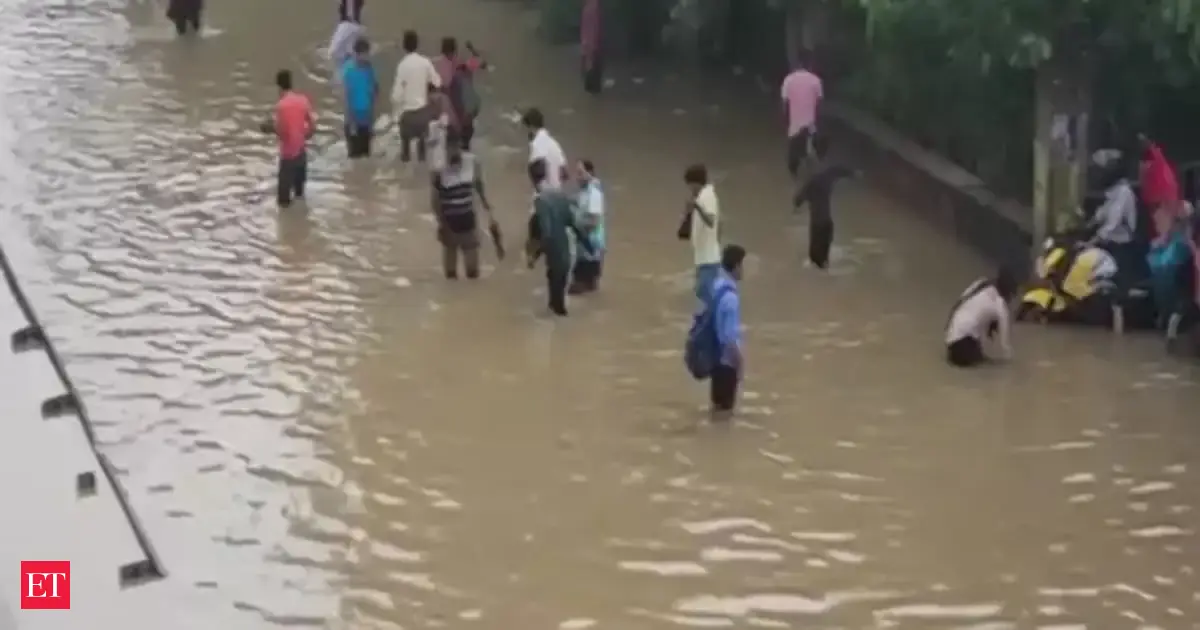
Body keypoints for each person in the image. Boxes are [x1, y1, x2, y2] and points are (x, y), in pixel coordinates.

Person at [431, 128, 496, 280]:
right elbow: (435, 200)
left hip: (468, 223)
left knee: (473, 273)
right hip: (449, 224)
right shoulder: (438, 169)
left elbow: (478, 184)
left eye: (454, 146)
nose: (452, 151)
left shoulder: (472, 162)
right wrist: (442, 223)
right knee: (450, 275)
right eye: (448, 147)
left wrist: (486, 204)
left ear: (460, 144)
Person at [526, 159, 589, 316]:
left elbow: (545, 233)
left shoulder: (540, 202)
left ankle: (561, 335)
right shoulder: (559, 195)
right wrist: (589, 246)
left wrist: (534, 255)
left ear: (531, 178)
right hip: (566, 255)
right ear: (546, 175)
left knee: (556, 307)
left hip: (554, 259)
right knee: (558, 303)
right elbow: (574, 224)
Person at [793, 135, 858, 269]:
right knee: (823, 264)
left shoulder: (812, 178)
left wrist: (797, 206)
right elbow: (840, 170)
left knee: (815, 264)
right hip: (827, 224)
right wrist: (854, 174)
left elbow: (798, 199)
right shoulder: (828, 173)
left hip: (817, 226)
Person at [944, 268, 1017, 367]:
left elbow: (961, 300)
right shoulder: (1000, 305)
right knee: (986, 364)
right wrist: (1011, 361)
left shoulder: (981, 283)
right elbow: (1004, 345)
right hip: (963, 346)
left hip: (951, 338)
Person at [391, 30, 442, 163]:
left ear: (404, 46)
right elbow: (437, 82)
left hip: (407, 114)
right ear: (417, 45)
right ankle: (421, 174)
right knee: (422, 146)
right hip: (422, 113)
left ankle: (406, 171)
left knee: (405, 148)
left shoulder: (402, 65)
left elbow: (396, 96)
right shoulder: (425, 62)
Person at [266, 70, 315, 208]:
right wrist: (302, 137)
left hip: (288, 157)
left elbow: (282, 133)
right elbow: (312, 127)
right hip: (301, 153)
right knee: (300, 196)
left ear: (279, 87)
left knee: (283, 202)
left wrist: (270, 128)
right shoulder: (303, 100)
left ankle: (289, 227)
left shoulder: (281, 106)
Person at [709, 244, 745, 420]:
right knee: (725, 417)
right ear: (737, 266)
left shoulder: (717, 287)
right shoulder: (731, 298)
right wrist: (740, 364)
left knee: (716, 411)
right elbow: (730, 338)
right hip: (727, 364)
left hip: (715, 360)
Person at [1089, 163, 1142, 278]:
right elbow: (1102, 213)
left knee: (1114, 282)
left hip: (1121, 246)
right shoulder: (1113, 192)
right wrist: (1088, 224)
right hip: (1110, 244)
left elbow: (1112, 222)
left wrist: (1091, 242)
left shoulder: (1123, 192)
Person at [679, 164, 721, 303]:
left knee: (707, 295)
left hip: (709, 259)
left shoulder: (707, 196)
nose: (690, 189)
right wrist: (689, 212)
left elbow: (711, 220)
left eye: (690, 185)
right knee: (701, 292)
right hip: (703, 258)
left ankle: (712, 322)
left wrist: (697, 206)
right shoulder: (702, 197)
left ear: (696, 183)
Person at [433, 37, 485, 150]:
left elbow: (441, 88)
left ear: (442, 50)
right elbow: (483, 63)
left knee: (450, 149)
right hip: (467, 116)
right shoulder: (464, 63)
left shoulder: (439, 65)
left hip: (451, 118)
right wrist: (473, 50)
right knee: (465, 150)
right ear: (455, 49)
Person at [780, 51, 823, 179]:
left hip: (795, 125)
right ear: (810, 64)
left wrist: (784, 120)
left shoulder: (789, 79)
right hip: (810, 124)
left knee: (793, 157)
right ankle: (811, 178)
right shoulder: (816, 81)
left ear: (798, 63)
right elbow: (819, 103)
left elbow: (784, 103)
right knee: (810, 154)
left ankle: (794, 179)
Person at [569, 159, 606, 294]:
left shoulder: (594, 194)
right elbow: (575, 201)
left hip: (590, 251)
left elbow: (594, 221)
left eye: (580, 173)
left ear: (589, 173)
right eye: (577, 173)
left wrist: (575, 226)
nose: (577, 177)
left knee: (578, 290)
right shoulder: (585, 191)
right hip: (584, 251)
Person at [341, 38, 379, 159]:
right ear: (357, 54)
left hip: (366, 120)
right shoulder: (349, 70)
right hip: (353, 120)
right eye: (365, 54)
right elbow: (347, 97)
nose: (367, 57)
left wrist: (372, 123)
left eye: (368, 54)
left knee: (366, 157)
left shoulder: (370, 69)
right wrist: (350, 122)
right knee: (354, 158)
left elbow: (374, 94)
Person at [1139, 134, 1181, 237]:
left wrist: (1146, 141)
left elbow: (1155, 152)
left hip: (1163, 204)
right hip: (1157, 205)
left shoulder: (1159, 164)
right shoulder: (1153, 169)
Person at [523, 108, 566, 188]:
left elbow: (538, 172)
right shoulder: (555, 144)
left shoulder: (536, 144)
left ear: (531, 127)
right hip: (557, 192)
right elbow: (564, 173)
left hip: (544, 194)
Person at [579, 0, 604, 94]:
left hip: (590, 41)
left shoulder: (589, 8)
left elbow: (589, 28)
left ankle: (592, 85)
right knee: (594, 63)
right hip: (592, 41)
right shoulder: (594, 8)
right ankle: (593, 86)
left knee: (591, 63)